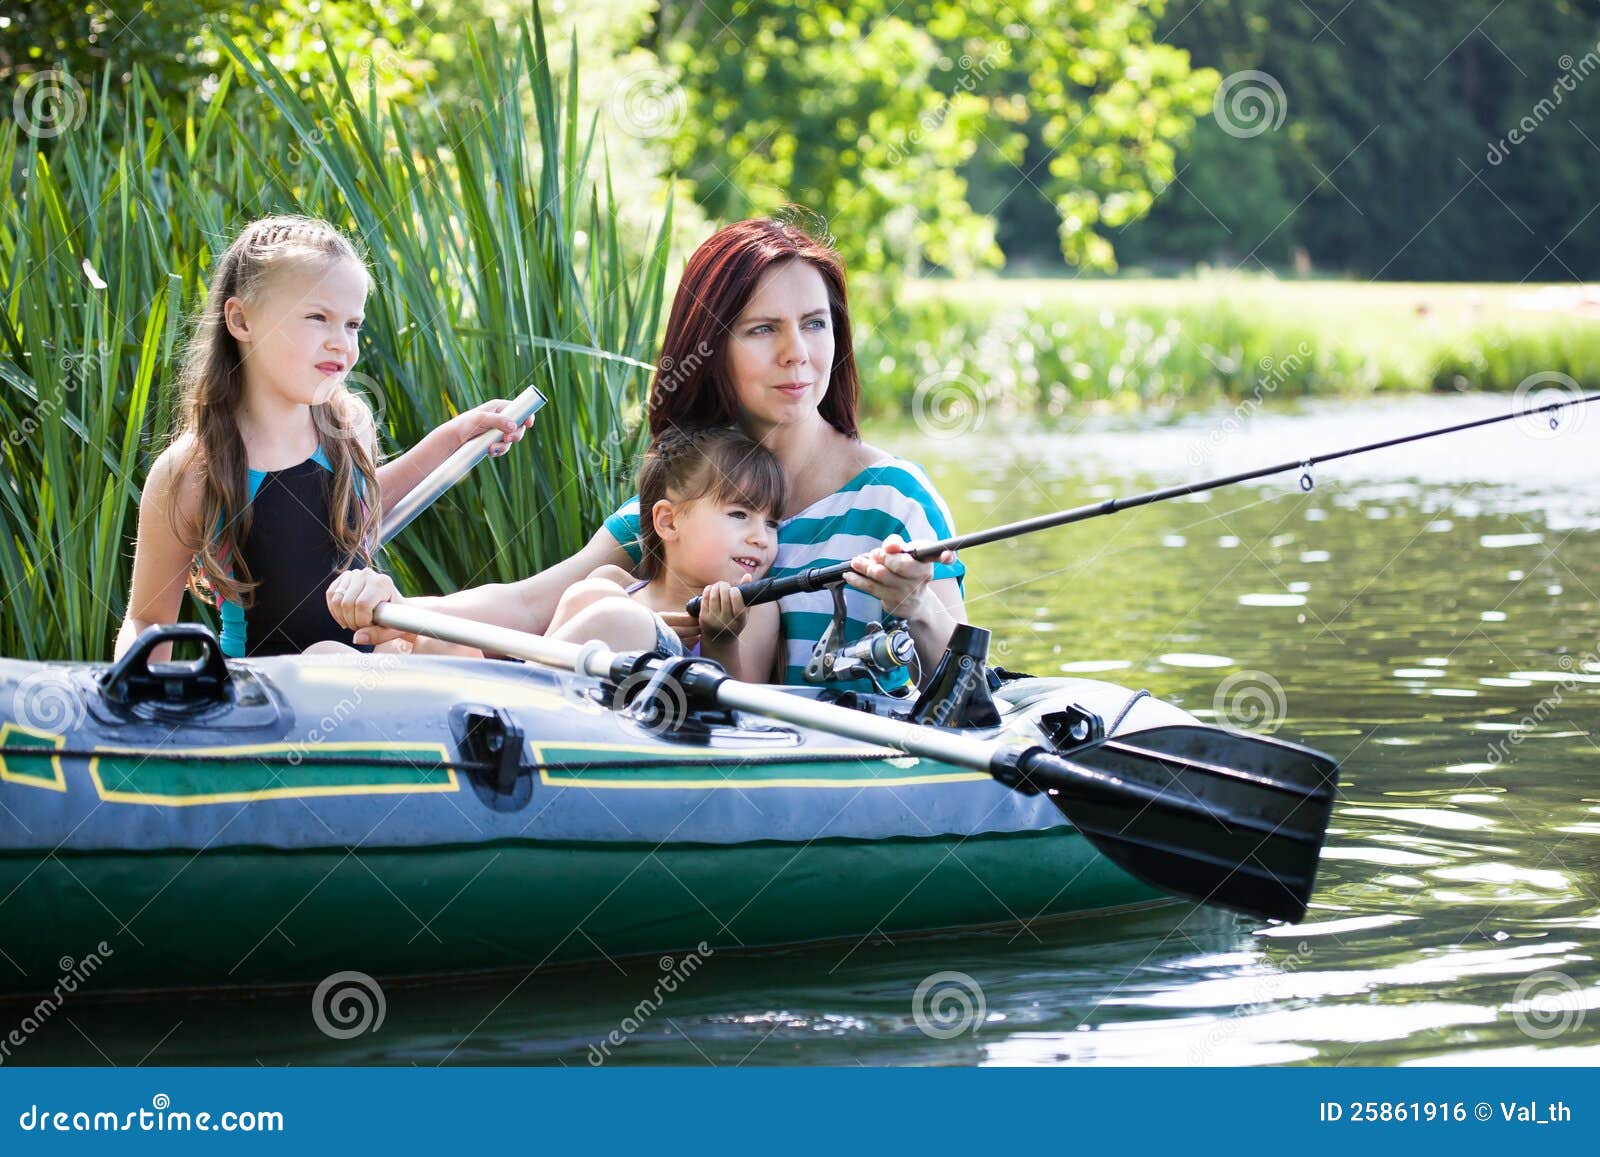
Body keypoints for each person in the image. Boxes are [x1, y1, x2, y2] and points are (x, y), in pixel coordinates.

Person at [328, 215, 965, 691]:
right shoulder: (687, 498)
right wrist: (397, 614)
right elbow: (529, 603)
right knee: (590, 591)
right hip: (686, 765)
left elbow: (970, 691)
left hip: (838, 783)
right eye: (763, 329)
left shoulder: (894, 500)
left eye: (815, 323)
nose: (797, 352)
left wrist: (915, 605)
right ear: (711, 347)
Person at [115, 215, 529, 660]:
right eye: (318, 317)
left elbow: (354, 517)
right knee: (329, 657)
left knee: (452, 647)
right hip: (267, 693)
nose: (342, 343)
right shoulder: (193, 469)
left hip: (361, 669)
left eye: (352, 325)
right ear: (241, 320)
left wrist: (451, 439)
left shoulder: (349, 425)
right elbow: (149, 619)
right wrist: (136, 714)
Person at [546, 426, 782, 682]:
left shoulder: (756, 608)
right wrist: (646, 631)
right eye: (739, 514)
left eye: (772, 524)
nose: (761, 538)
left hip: (678, 715)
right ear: (669, 522)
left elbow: (743, 714)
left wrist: (720, 640)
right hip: (577, 709)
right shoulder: (614, 585)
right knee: (590, 593)